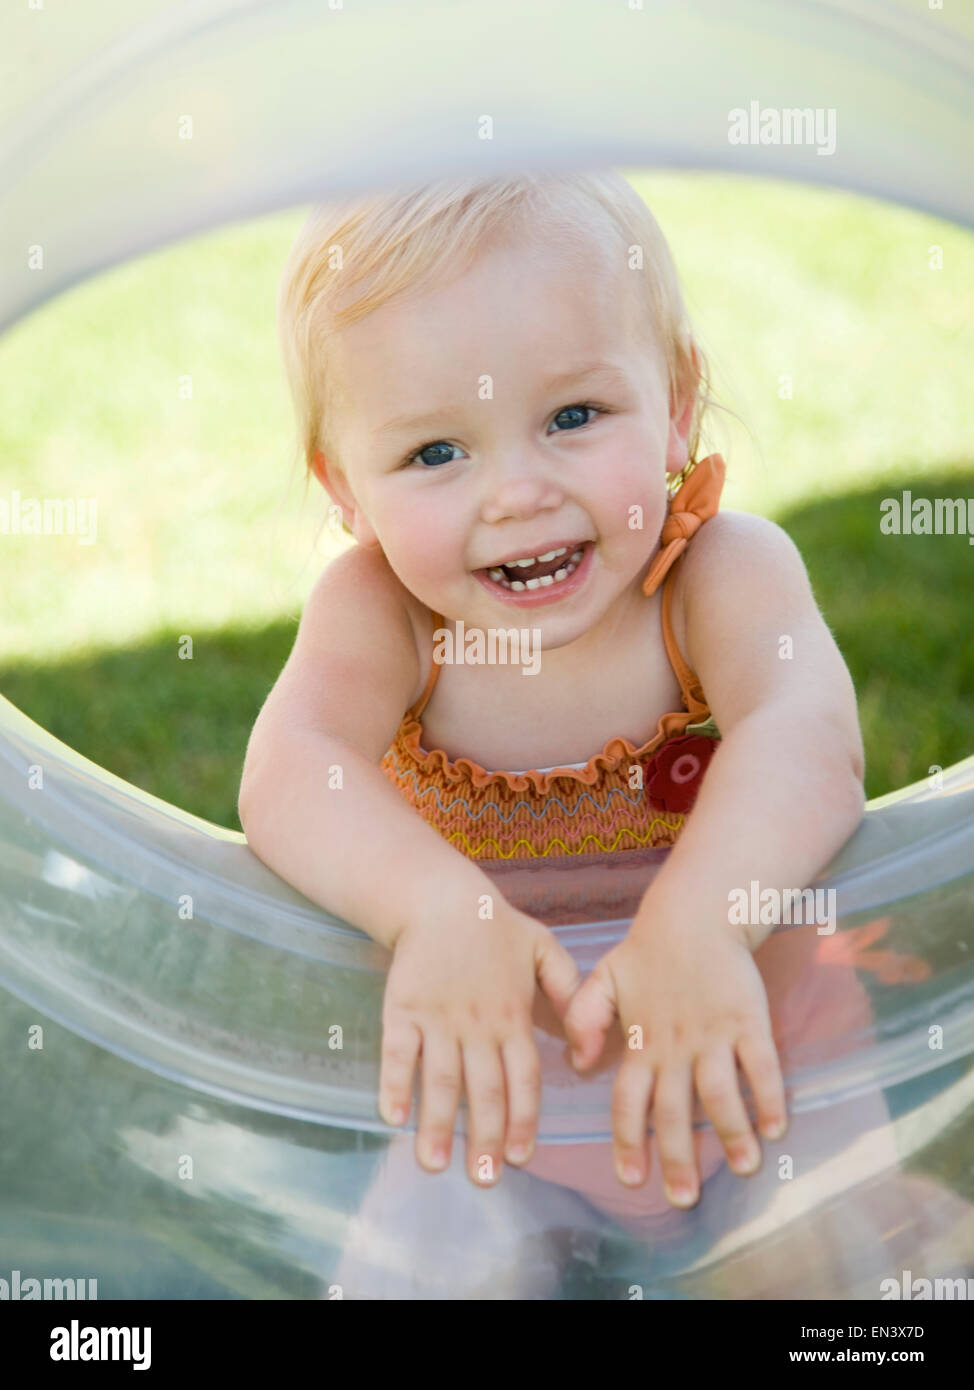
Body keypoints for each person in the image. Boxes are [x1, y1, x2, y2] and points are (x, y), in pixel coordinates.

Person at [239, 170, 866, 1222]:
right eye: (434, 451)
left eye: (571, 415)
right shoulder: (382, 613)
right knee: (428, 1269)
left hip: (747, 1016)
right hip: (493, 1052)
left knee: (832, 1264)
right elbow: (292, 768)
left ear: (672, 406)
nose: (517, 493)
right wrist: (436, 911)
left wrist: (704, 921)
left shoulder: (717, 575)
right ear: (343, 485)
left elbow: (804, 733)